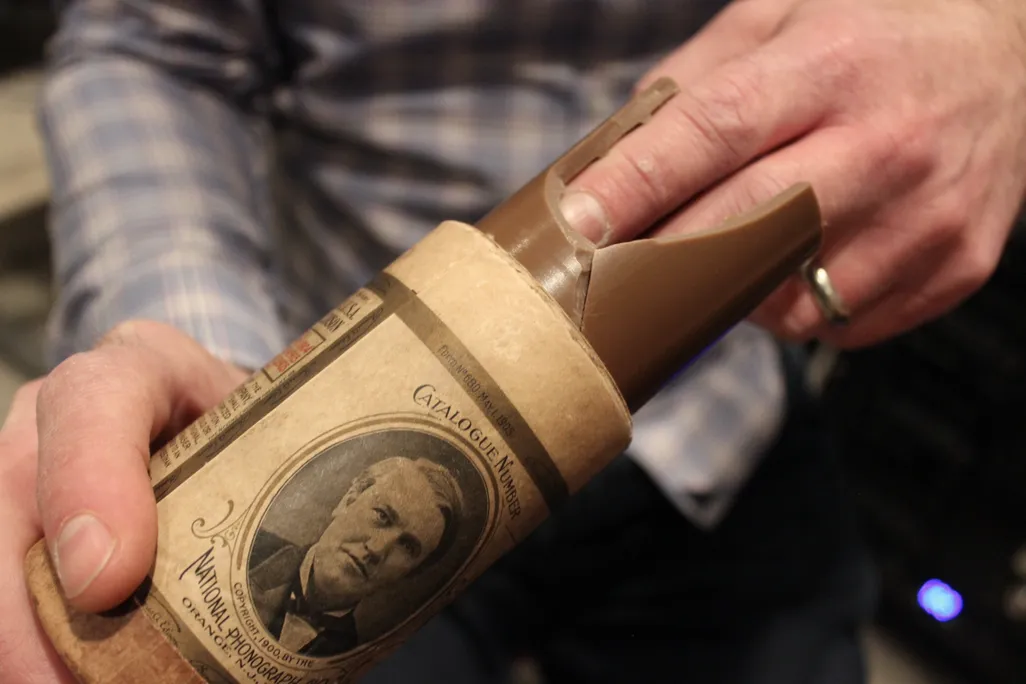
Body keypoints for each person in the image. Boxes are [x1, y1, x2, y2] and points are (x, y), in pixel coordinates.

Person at [1, 1, 1024, 683]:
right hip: (329, 398)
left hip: (722, 421)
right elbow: (154, 46)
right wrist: (221, 387)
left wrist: (1001, 38)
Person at [248, 455, 464, 657]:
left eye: (407, 546)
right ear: (348, 500)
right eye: (382, 516)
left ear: (411, 572)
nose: (377, 549)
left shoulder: (358, 658)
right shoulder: (247, 554)